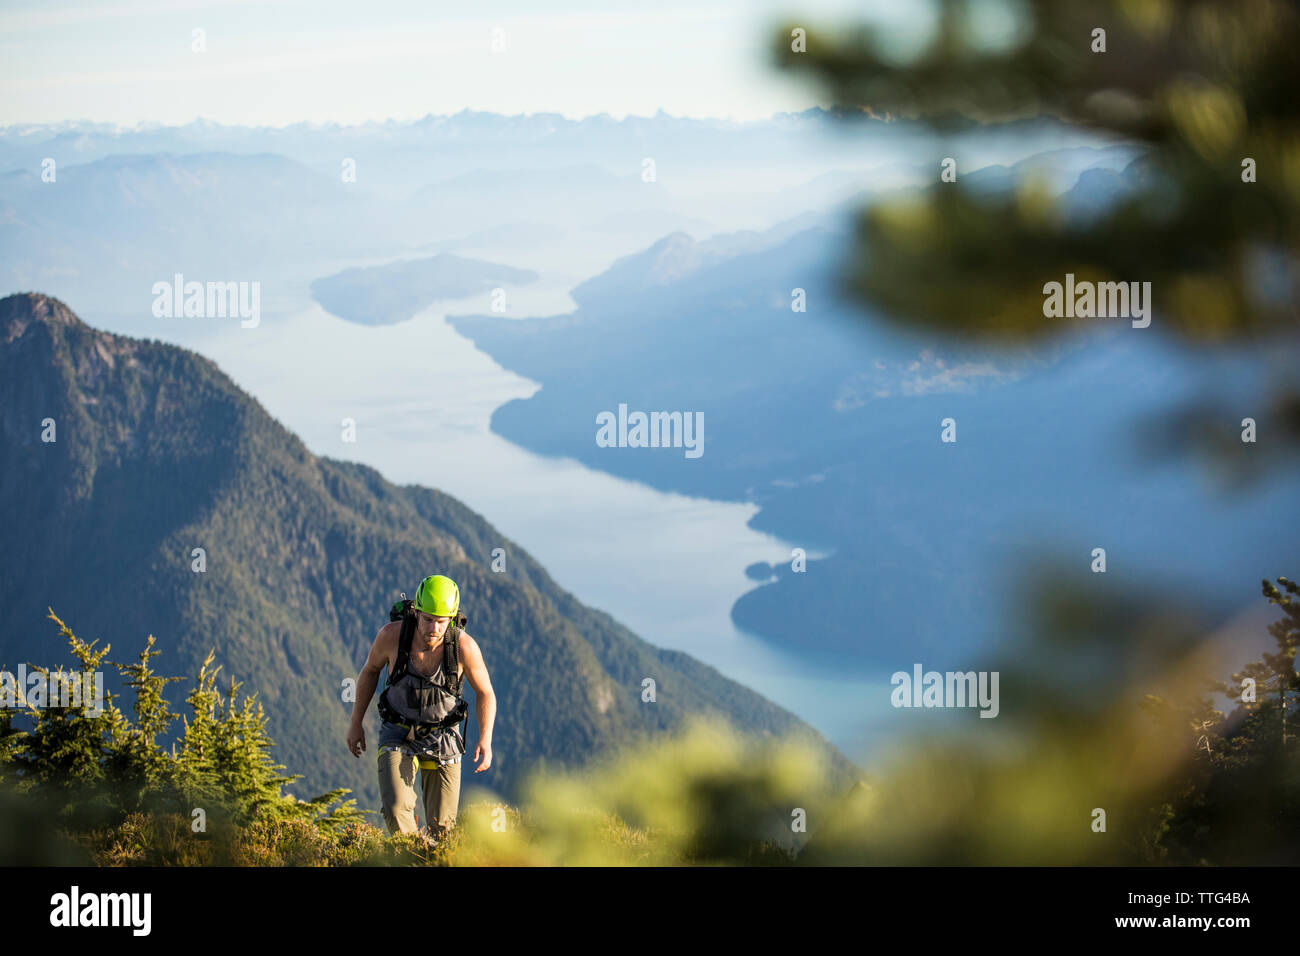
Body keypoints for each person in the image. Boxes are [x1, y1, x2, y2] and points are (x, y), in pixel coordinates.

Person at [347, 574, 496, 838]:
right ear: (415, 612)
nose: (434, 629)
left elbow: (486, 693)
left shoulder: (464, 648)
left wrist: (486, 739)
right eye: (428, 619)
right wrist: (355, 722)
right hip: (398, 731)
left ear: (451, 619)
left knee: (443, 829)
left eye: (441, 622)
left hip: (444, 736)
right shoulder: (391, 637)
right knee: (395, 810)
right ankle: (410, 855)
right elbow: (369, 672)